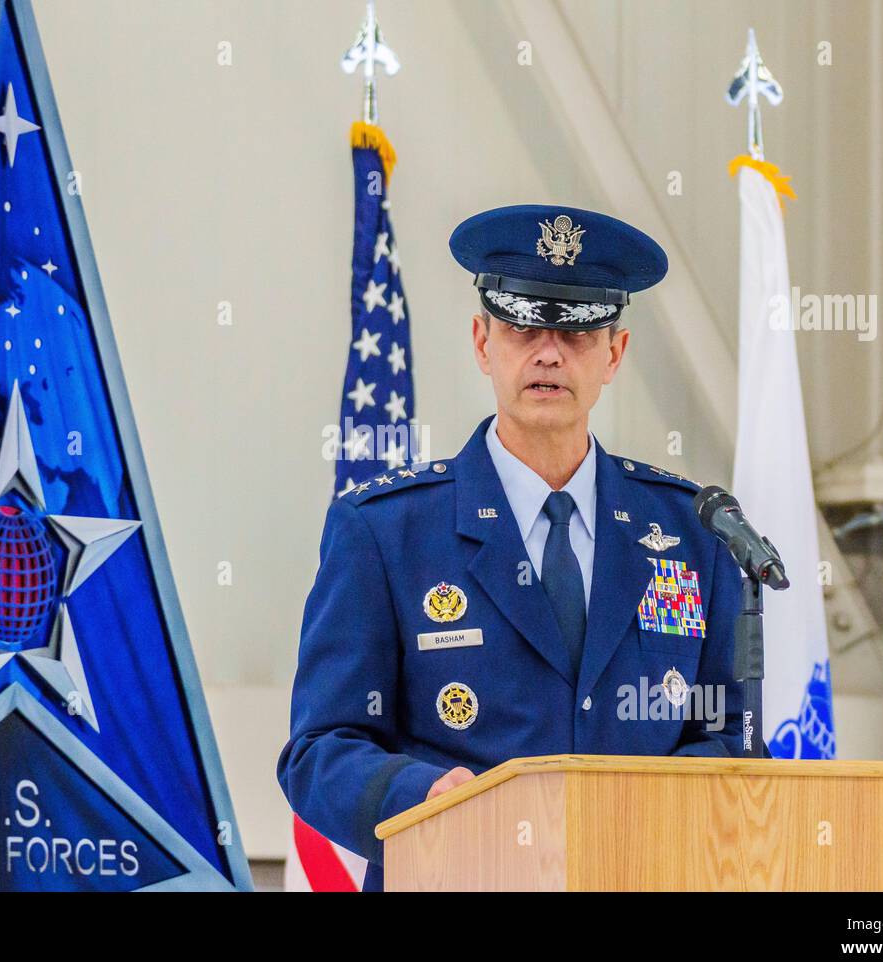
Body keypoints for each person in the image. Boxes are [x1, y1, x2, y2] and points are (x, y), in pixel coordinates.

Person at [278, 205, 744, 892]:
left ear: (615, 354)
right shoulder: (384, 531)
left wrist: (648, 813)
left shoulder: (691, 531)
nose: (550, 352)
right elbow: (320, 750)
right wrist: (425, 800)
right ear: (481, 341)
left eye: (579, 331)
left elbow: (729, 730)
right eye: (524, 326)